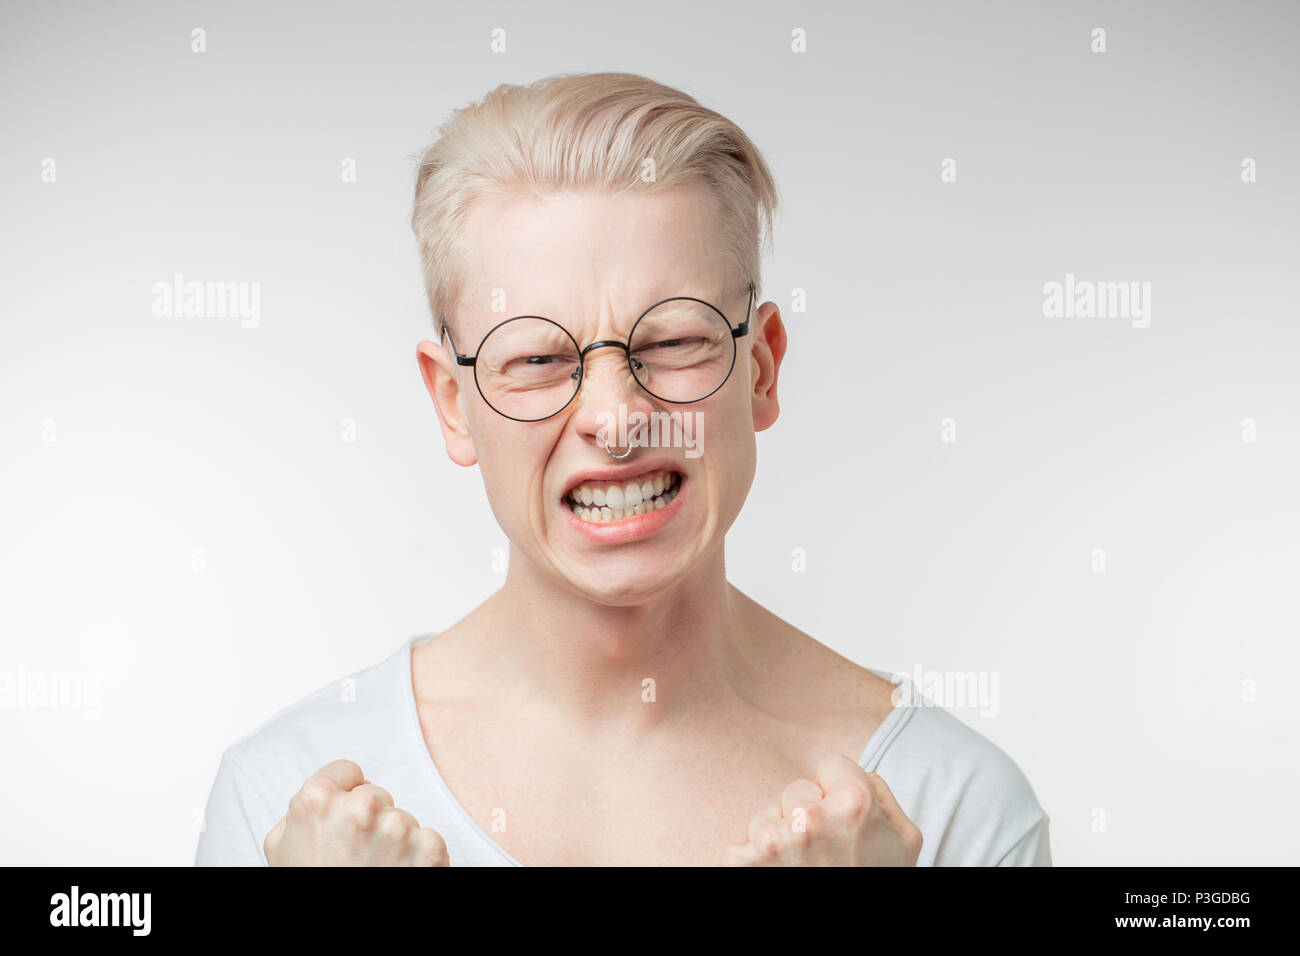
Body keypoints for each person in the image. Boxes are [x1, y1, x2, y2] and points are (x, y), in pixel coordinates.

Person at [195, 71, 1051, 866]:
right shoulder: (282, 806)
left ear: (762, 370)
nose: (614, 420)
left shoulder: (952, 806)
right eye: (536, 359)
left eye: (674, 341)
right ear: (452, 403)